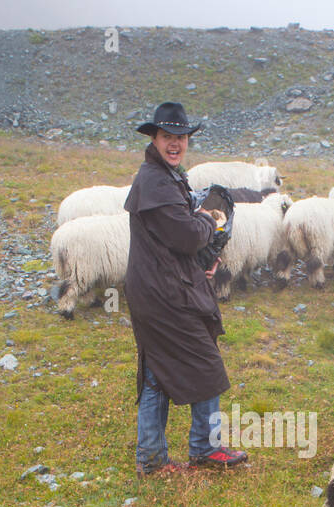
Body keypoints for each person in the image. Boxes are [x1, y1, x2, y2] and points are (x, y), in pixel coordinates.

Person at [123, 102, 248, 476]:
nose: (175, 143)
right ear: (155, 138)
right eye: (168, 137)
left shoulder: (165, 176)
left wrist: (197, 263)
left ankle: (152, 458)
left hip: (156, 287)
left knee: (157, 372)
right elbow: (188, 234)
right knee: (206, 363)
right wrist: (210, 220)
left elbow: (173, 242)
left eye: (180, 137)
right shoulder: (156, 181)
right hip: (163, 295)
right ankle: (203, 449)